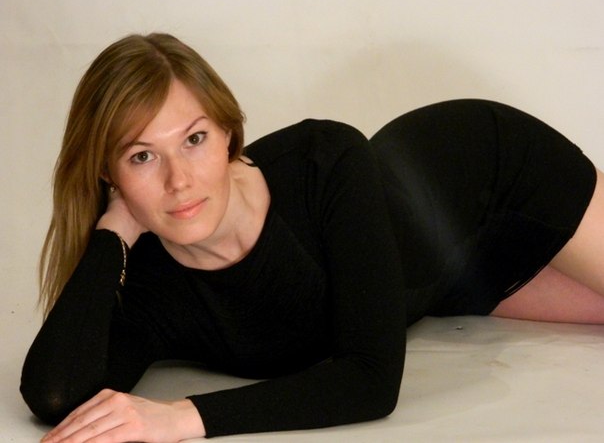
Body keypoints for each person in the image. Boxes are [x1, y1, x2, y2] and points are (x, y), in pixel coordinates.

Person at [20, 32, 604, 442]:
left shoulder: (323, 162)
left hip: (496, 176)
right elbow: (55, 395)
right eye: (142, 156)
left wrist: (179, 418)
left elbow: (371, 381)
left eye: (194, 139)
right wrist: (114, 229)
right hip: (452, 284)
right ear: (110, 176)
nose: (179, 181)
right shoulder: (152, 288)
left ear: (228, 133)